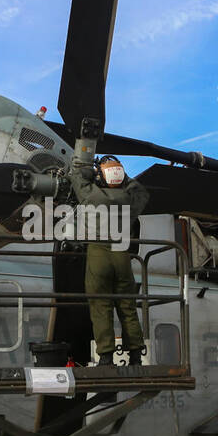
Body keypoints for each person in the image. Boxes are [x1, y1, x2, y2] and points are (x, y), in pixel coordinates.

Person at [69, 153, 150, 365]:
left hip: (98, 254)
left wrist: (94, 170)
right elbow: (141, 192)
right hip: (122, 255)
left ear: (102, 178)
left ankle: (105, 356)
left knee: (100, 306)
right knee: (127, 306)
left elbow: (76, 174)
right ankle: (135, 354)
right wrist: (121, 175)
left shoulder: (92, 195)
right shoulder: (129, 198)